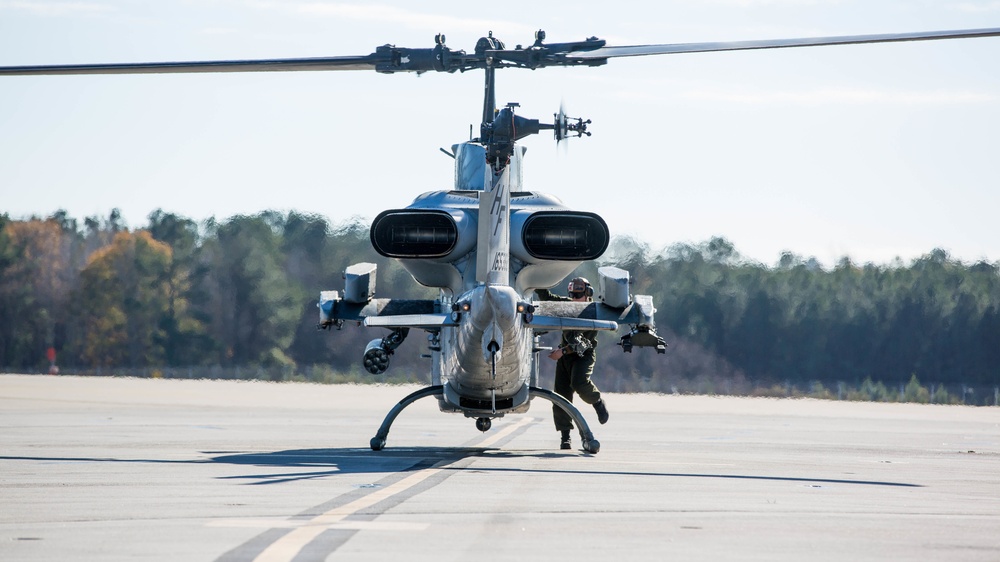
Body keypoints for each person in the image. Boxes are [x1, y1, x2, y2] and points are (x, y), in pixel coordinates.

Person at [536, 277, 610, 450]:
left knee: (579, 383)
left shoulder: (594, 311)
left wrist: (561, 352)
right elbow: (548, 298)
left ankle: (597, 402)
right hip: (565, 356)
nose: (575, 300)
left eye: (578, 295)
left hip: (583, 355)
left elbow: (583, 342)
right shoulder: (567, 304)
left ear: (587, 294)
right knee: (561, 397)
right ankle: (565, 436)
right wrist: (537, 281)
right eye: (572, 295)